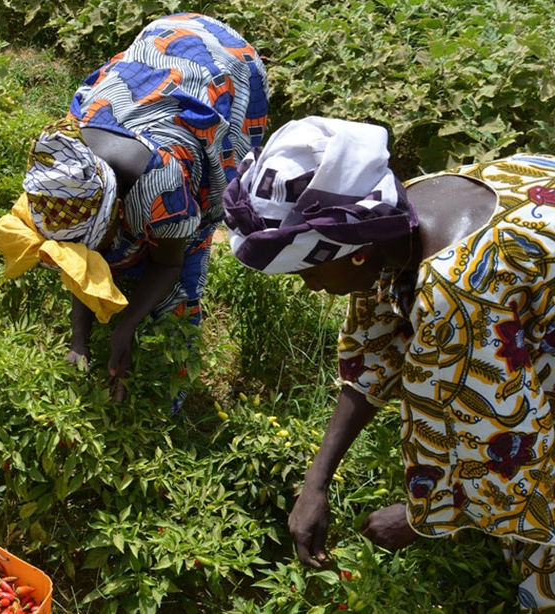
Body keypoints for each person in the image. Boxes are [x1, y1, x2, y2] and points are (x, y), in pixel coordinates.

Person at [223, 115, 555, 610]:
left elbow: (503, 445)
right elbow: (373, 355)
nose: (312, 288)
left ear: (356, 254)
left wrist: (421, 519)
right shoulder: (398, 215)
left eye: (310, 275)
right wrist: (316, 483)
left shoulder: (456, 291)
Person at [0, 13, 269, 405]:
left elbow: (170, 265)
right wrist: (79, 339)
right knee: (123, 250)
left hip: (226, 68)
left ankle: (163, 394)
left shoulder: (163, 188)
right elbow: (83, 253)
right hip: (154, 61)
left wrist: (127, 327)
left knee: (179, 269)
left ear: (114, 210)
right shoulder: (63, 157)